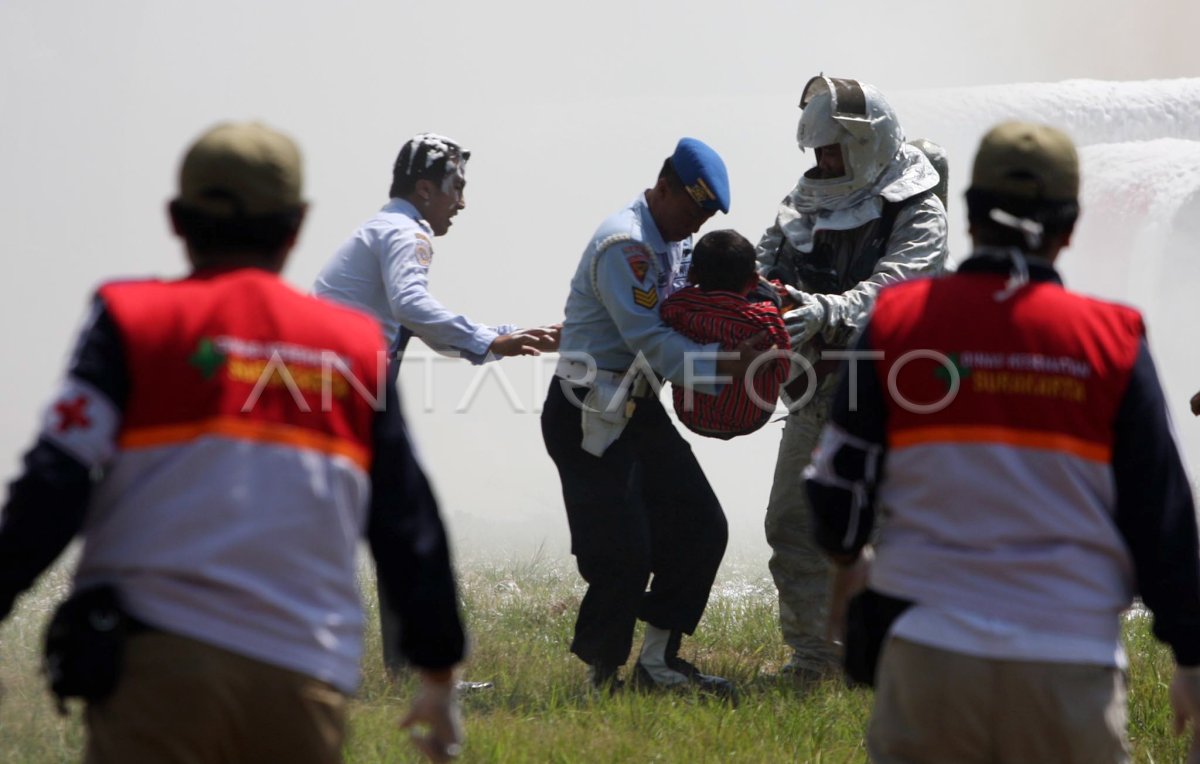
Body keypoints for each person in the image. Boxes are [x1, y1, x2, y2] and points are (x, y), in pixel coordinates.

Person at [0, 122, 466, 763]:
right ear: (297, 227)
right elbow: (407, 521)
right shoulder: (353, 348)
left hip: (156, 670)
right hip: (301, 678)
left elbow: (56, 481)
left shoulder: (131, 320)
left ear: (177, 220)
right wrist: (438, 673)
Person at [805, 121, 1200, 762]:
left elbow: (834, 496)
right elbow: (1163, 518)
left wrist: (851, 562)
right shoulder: (1114, 339)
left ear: (966, 214)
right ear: (1070, 226)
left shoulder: (897, 321)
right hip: (1068, 667)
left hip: (929, 662)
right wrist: (1192, 654)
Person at [314, 132, 558, 675]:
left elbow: (416, 322)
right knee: (405, 529)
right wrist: (492, 341)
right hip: (348, 392)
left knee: (376, 527)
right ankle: (414, 671)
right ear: (425, 189)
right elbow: (413, 306)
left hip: (333, 390)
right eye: (457, 188)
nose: (462, 202)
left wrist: (507, 335)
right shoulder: (409, 234)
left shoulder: (384, 228)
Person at [541, 138, 767, 697]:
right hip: (589, 412)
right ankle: (600, 679)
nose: (694, 227)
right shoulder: (627, 245)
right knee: (624, 552)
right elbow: (649, 339)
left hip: (636, 409)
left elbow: (696, 293)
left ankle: (659, 664)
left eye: (704, 218)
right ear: (662, 187)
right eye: (691, 211)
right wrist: (729, 364)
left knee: (701, 526)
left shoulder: (668, 240)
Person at [755, 75, 949, 680]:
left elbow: (897, 289)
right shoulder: (809, 200)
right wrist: (743, 291)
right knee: (791, 521)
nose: (823, 162)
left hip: (889, 393)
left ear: (867, 144)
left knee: (889, 533)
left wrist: (828, 310)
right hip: (815, 388)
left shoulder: (919, 207)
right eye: (818, 151)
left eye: (833, 150)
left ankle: (897, 660)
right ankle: (816, 659)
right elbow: (768, 258)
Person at [660, 229, 791, 439]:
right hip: (751, 417)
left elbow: (663, 319)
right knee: (770, 298)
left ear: (693, 275)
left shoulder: (679, 306)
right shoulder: (766, 317)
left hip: (691, 414)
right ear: (751, 281)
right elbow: (784, 370)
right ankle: (772, 288)